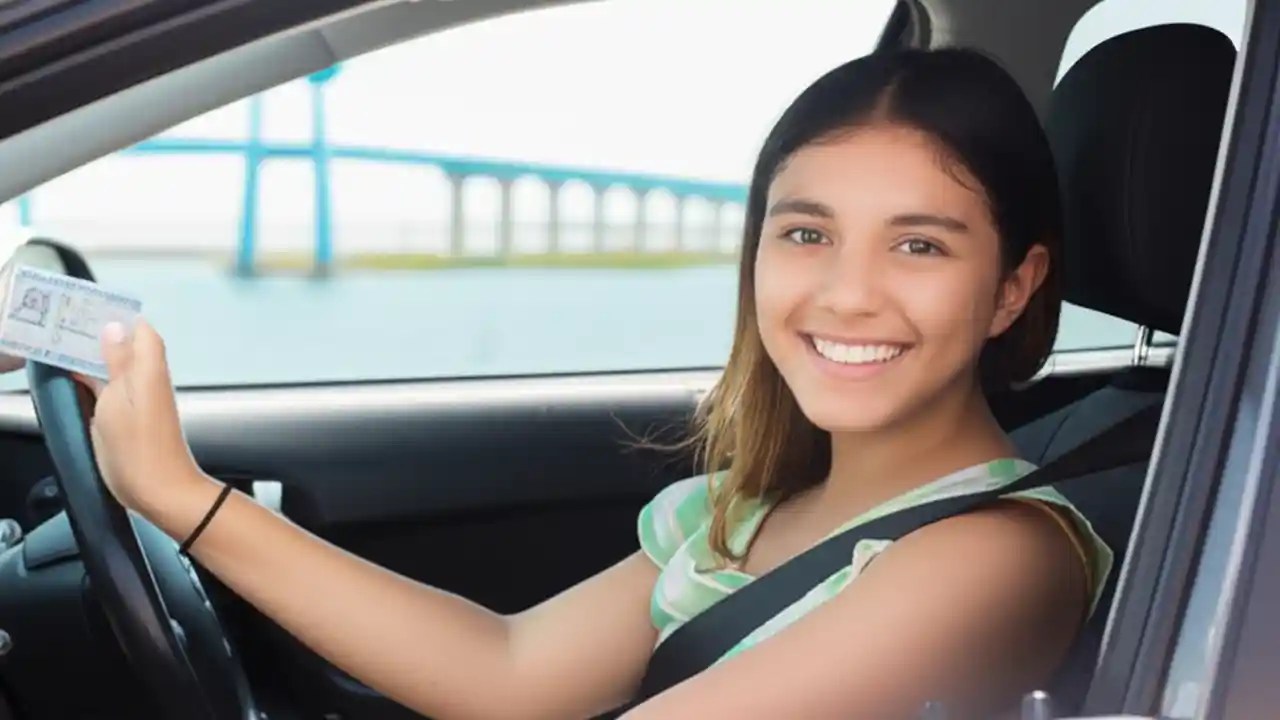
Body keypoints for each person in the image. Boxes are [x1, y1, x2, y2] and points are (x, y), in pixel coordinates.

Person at [2, 46, 1110, 720]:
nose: (846, 295)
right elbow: (508, 669)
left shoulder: (995, 557)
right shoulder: (756, 504)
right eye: (806, 232)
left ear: (1011, 289)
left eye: (917, 247)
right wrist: (176, 494)